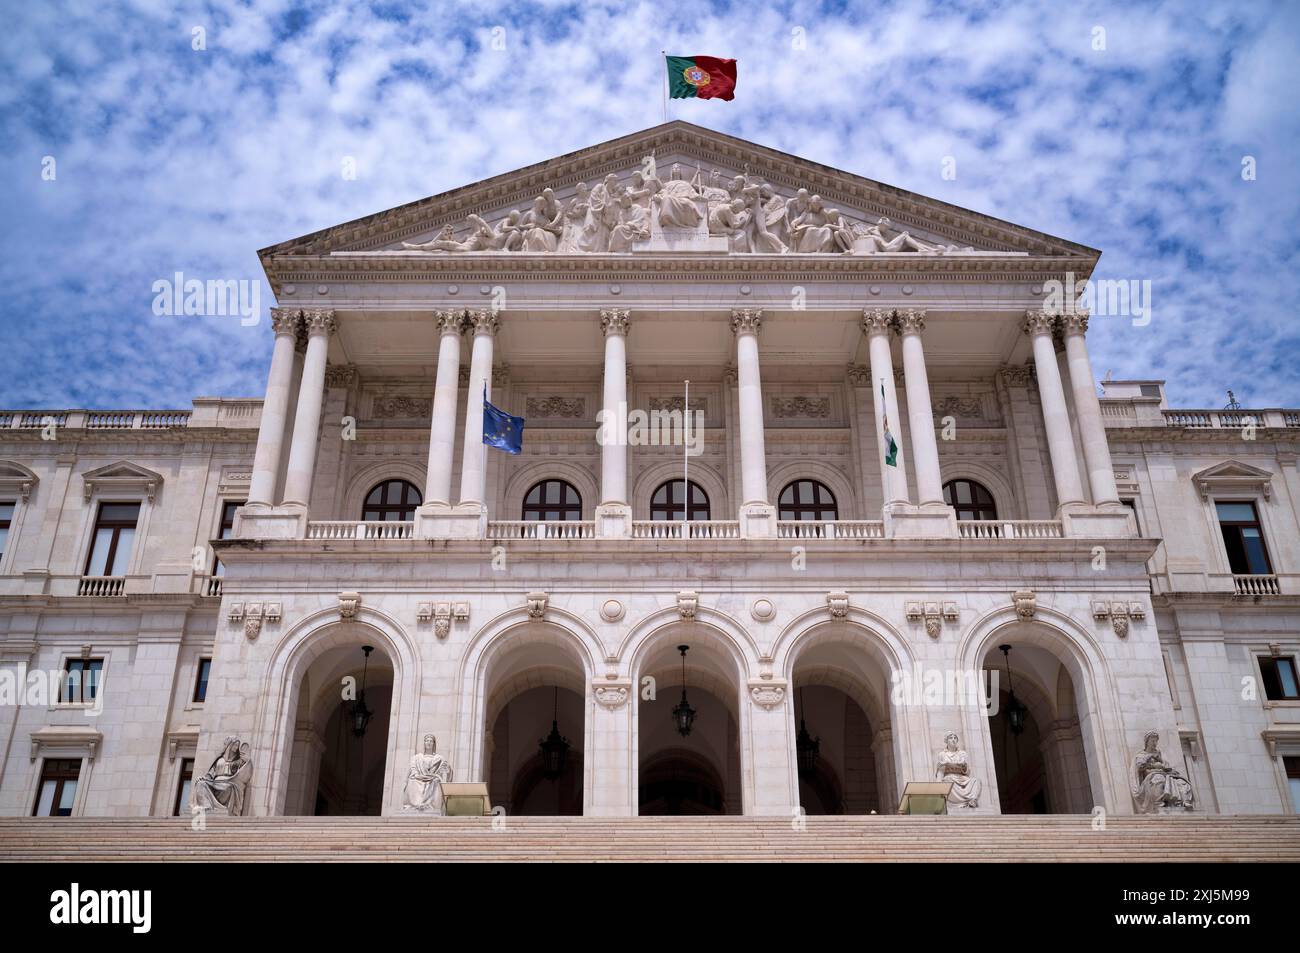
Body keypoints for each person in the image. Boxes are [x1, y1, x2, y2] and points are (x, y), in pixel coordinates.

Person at [1132, 730, 1194, 813]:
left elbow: (1165, 765)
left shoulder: (1159, 754)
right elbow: (1141, 768)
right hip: (1152, 775)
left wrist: (1162, 764)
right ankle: (1158, 804)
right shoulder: (1141, 755)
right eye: (1152, 741)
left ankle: (1184, 801)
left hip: (1164, 773)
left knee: (1181, 782)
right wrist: (1153, 764)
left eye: (1156, 741)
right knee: (1159, 779)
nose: (1155, 743)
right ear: (1147, 741)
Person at [193, 736, 253, 816]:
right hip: (214, 783)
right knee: (201, 783)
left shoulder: (238, 761)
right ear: (230, 745)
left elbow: (243, 773)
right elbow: (211, 774)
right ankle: (206, 806)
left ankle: (222, 809)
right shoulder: (219, 760)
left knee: (228, 787)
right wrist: (204, 778)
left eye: (237, 746)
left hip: (229, 782)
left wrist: (247, 760)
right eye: (235, 745)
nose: (236, 747)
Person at [403, 733, 453, 813]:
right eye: (427, 741)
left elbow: (447, 771)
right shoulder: (416, 758)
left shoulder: (439, 758)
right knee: (412, 780)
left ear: (434, 744)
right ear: (424, 743)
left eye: (431, 741)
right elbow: (413, 768)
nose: (429, 743)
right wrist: (416, 774)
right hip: (419, 778)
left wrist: (448, 770)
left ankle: (429, 805)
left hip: (433, 778)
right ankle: (416, 804)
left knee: (436, 781)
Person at [936, 731, 981, 808]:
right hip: (950, 778)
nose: (953, 740)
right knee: (948, 782)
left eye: (955, 738)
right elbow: (941, 771)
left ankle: (972, 800)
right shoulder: (942, 754)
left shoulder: (962, 753)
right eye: (950, 738)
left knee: (976, 781)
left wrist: (947, 763)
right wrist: (937, 787)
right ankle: (958, 803)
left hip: (962, 778)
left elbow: (964, 767)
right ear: (946, 741)